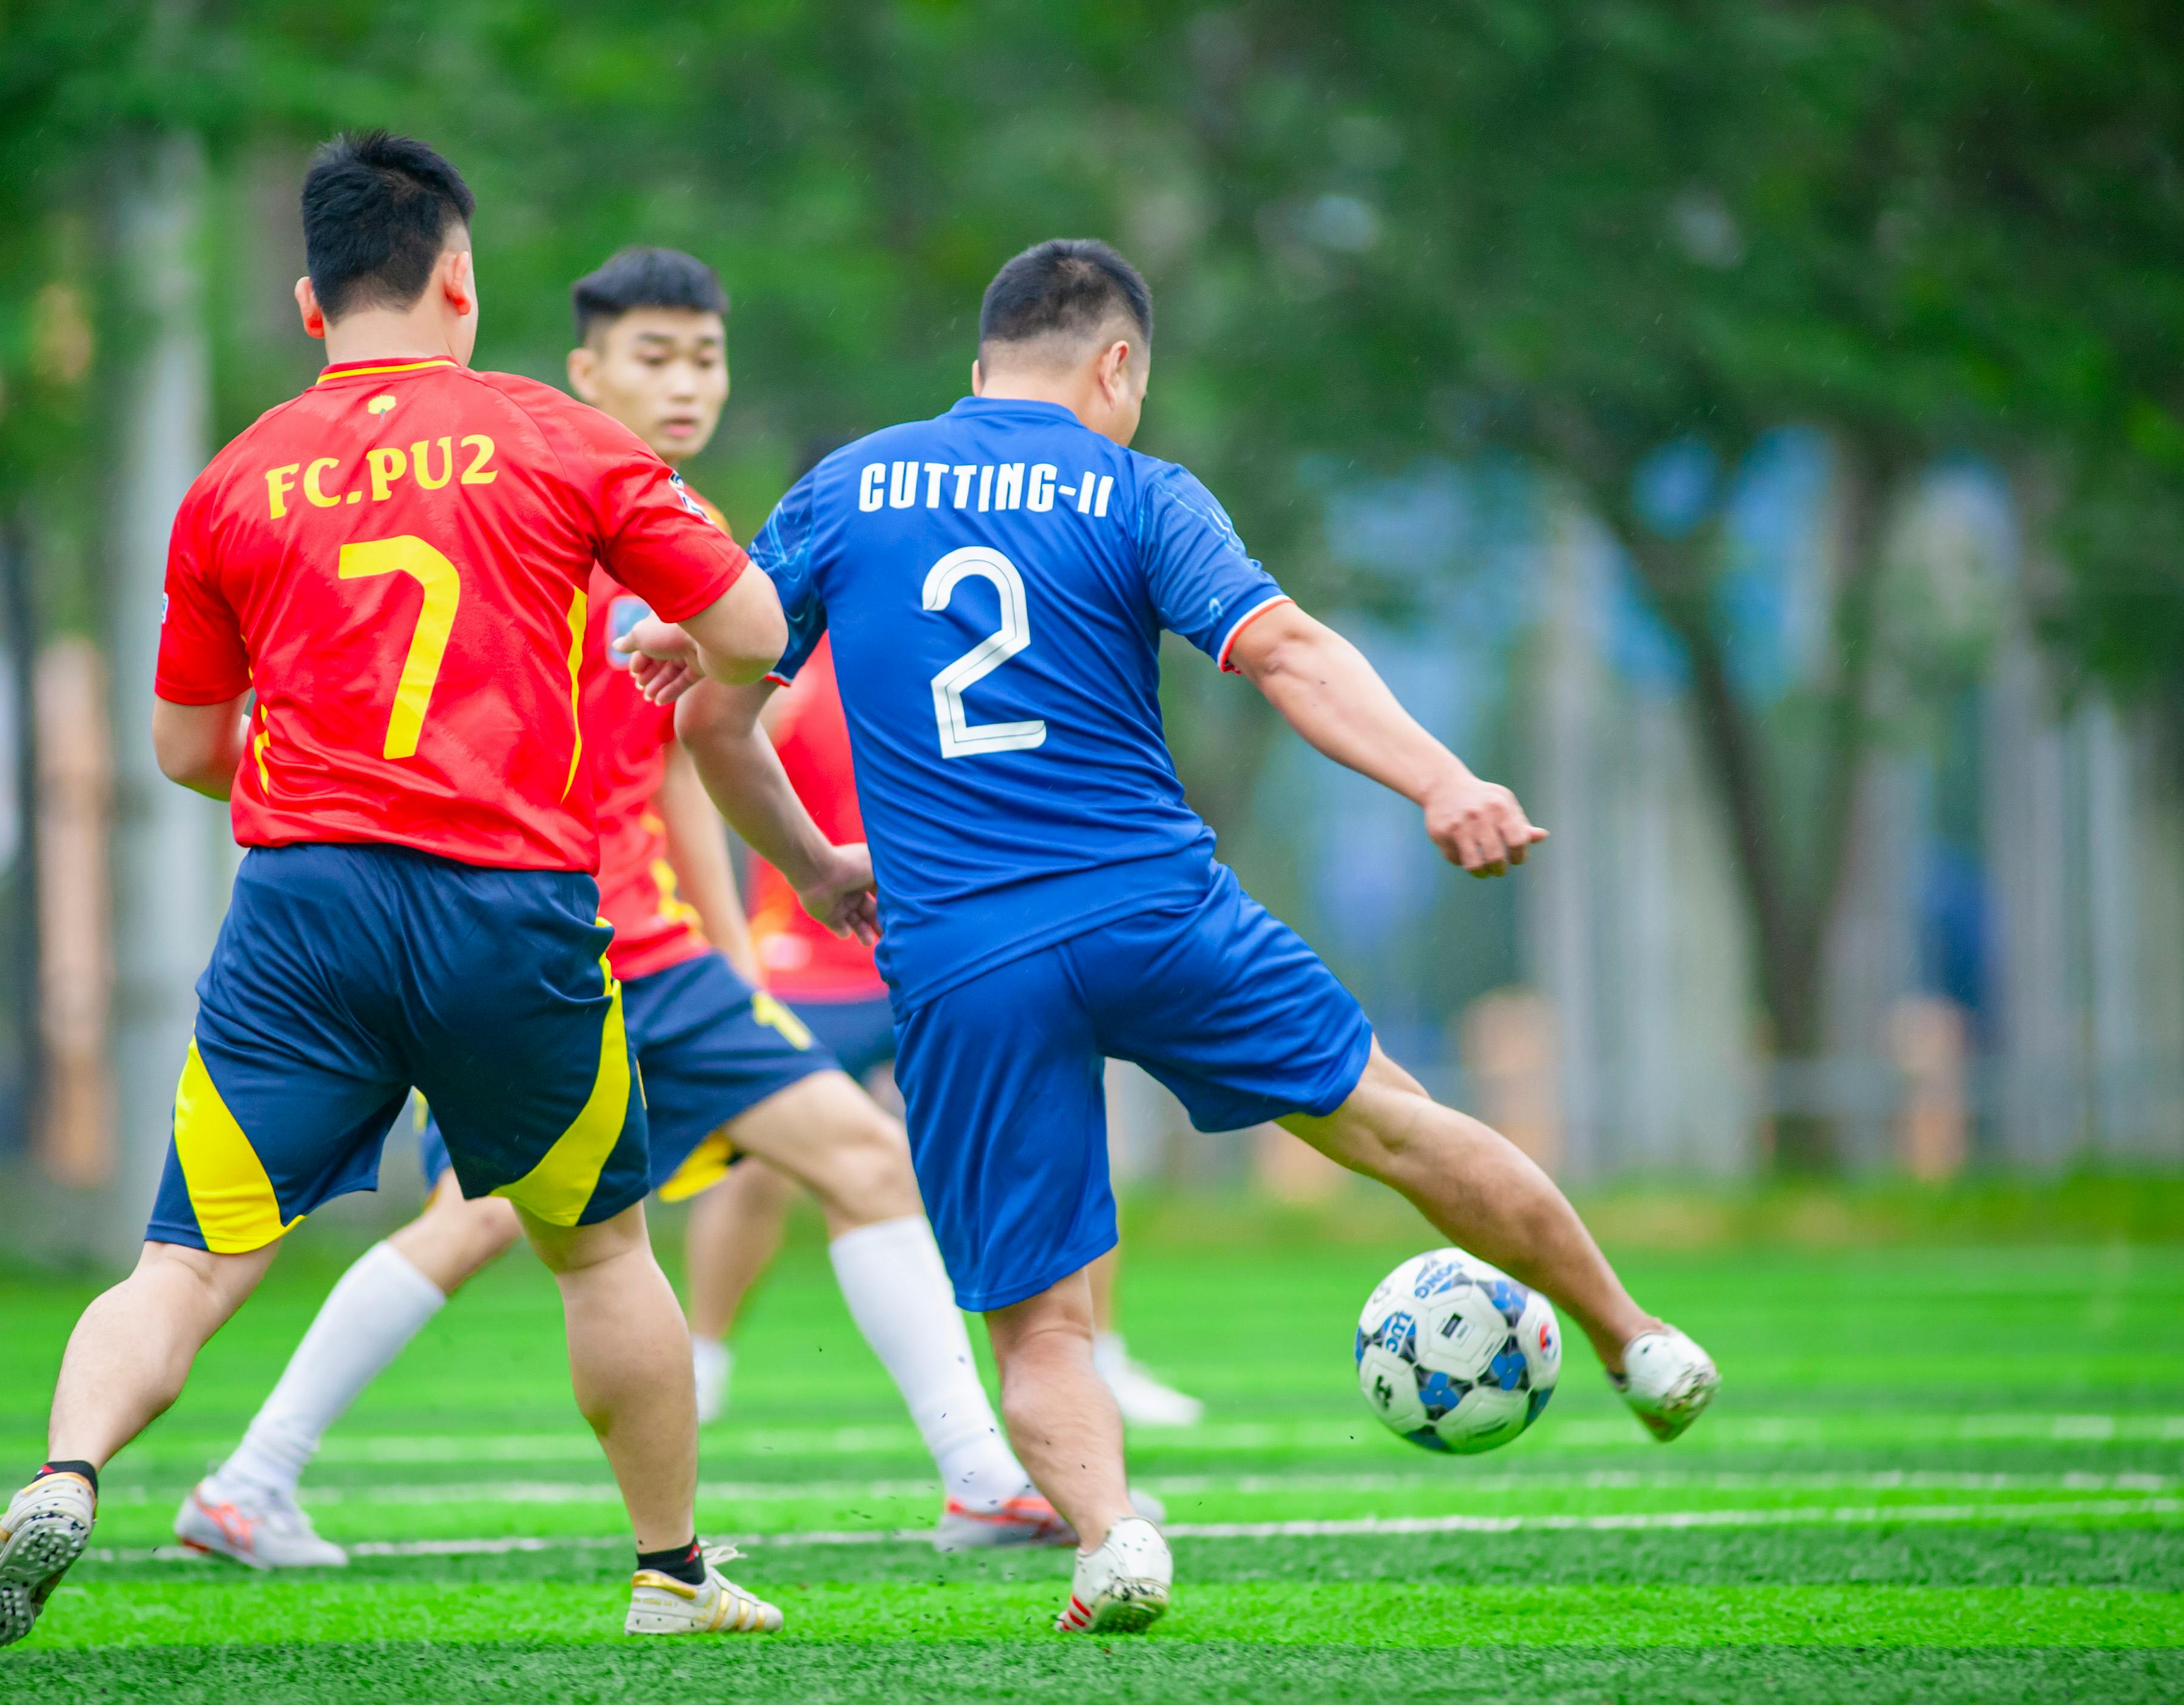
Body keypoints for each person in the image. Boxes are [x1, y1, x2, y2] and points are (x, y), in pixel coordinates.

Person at [632, 238, 1722, 1634]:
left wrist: (823, 871)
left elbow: (714, 720)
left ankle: (1111, 1542)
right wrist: (1441, 778)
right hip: (1154, 908)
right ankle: (1636, 1341)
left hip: (965, 959)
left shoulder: (848, 487)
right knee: (1393, 1122)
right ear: (1117, 364)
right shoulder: (1137, 489)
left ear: (978, 370)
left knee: (1039, 1324)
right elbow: (1287, 654)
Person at [0, 135, 795, 1648]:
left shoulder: (232, 480)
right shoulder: (556, 435)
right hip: (509, 912)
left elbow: (188, 750)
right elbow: (751, 622)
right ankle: (671, 1575)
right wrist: (697, 652)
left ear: (308, 302)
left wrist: (325, 787)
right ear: (460, 280)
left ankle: (67, 1473)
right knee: (598, 1247)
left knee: (188, 1264)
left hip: (302, 911)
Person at [169, 246, 1069, 1575]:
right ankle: (252, 1478)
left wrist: (731, 952)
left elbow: (679, 763)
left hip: (648, 957)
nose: (687, 379)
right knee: (473, 1226)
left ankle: (981, 1476)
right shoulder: (526, 492)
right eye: (653, 355)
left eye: (705, 356)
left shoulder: (673, 528)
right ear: (584, 368)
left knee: (862, 1163)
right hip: (520, 946)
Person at [708, 638, 1209, 1429]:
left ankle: (1100, 1355)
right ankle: (704, 1362)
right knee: (758, 1165)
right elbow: (716, 741)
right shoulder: (784, 645)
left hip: (944, 942)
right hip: (808, 956)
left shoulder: (939, 633)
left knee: (1055, 1129)